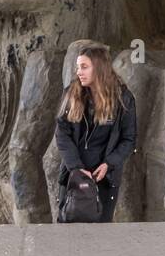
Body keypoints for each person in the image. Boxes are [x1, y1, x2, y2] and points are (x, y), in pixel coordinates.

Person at [54, 44, 137, 223]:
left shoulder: (123, 99)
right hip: (73, 175)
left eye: (84, 67)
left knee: (100, 234)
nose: (79, 72)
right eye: (78, 67)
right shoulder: (71, 94)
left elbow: (129, 139)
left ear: (99, 68)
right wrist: (75, 167)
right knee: (66, 231)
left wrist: (109, 163)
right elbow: (62, 134)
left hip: (104, 177)